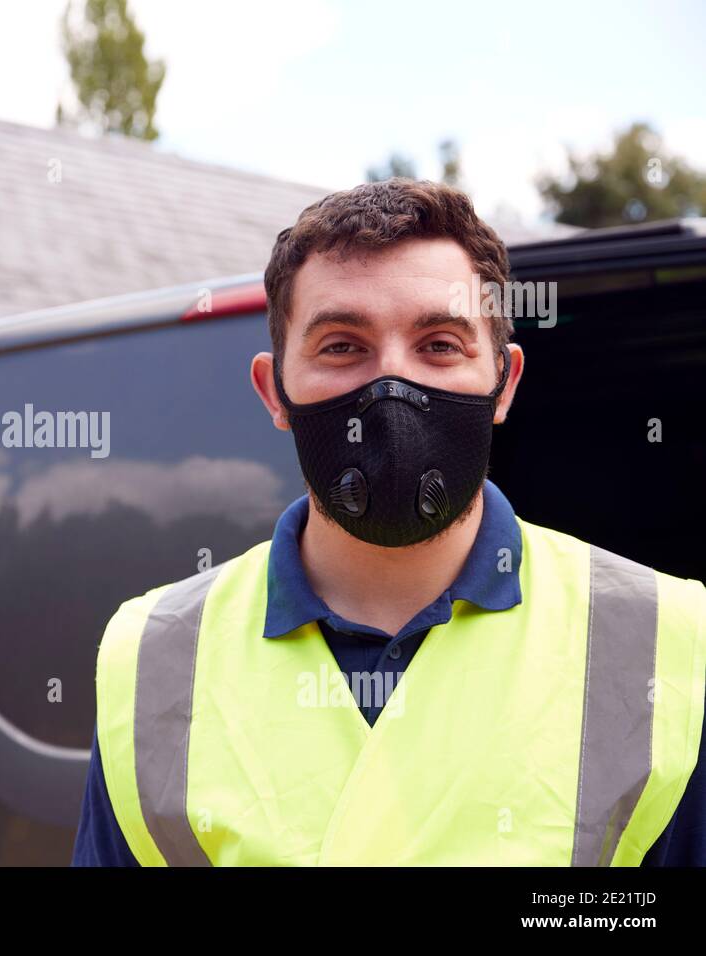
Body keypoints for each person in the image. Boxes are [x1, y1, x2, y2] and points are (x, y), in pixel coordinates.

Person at [71, 179, 706, 866]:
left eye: (439, 344)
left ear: (505, 381)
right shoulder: (155, 657)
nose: (392, 385)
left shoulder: (664, 639)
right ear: (273, 391)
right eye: (343, 346)